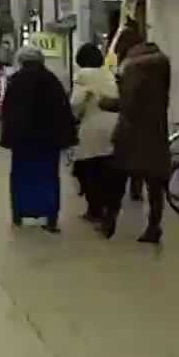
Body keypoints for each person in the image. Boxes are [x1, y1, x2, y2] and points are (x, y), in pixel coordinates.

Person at [100, 37, 172, 243]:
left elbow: (128, 103)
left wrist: (106, 102)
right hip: (156, 131)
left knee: (117, 179)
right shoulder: (161, 65)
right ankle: (154, 227)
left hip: (131, 134)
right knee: (155, 185)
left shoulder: (134, 68)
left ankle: (109, 222)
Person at [0, 46, 75, 232]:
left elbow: (8, 112)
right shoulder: (51, 81)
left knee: (21, 176)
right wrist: (66, 138)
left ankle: (20, 212)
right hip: (48, 141)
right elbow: (62, 111)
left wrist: (8, 137)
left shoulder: (16, 82)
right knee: (48, 177)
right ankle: (50, 215)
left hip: (22, 141)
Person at [69, 43, 119, 224]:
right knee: (106, 168)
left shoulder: (83, 75)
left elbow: (75, 103)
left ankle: (94, 209)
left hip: (92, 126)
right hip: (113, 126)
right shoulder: (108, 74)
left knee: (89, 169)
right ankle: (105, 205)